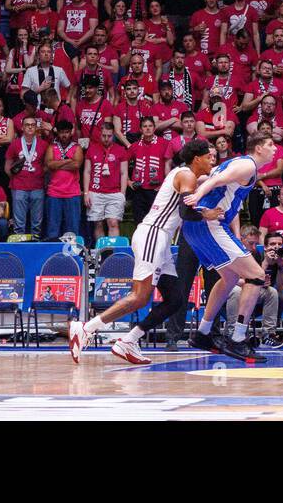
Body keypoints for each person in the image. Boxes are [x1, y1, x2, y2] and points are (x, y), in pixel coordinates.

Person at [69, 138, 217, 364]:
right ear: (197, 158)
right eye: (209, 157)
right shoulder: (186, 175)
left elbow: (209, 180)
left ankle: (128, 341)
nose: (212, 161)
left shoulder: (187, 174)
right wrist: (208, 214)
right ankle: (86, 328)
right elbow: (186, 213)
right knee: (140, 296)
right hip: (152, 235)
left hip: (161, 240)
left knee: (175, 299)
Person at [178, 132, 277, 362]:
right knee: (256, 276)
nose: (275, 149)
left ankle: (203, 332)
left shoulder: (236, 164)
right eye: (271, 145)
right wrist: (196, 198)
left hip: (199, 225)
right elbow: (213, 182)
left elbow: (208, 178)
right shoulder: (247, 165)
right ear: (258, 148)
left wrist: (196, 194)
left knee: (230, 278)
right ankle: (238, 338)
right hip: (209, 224)